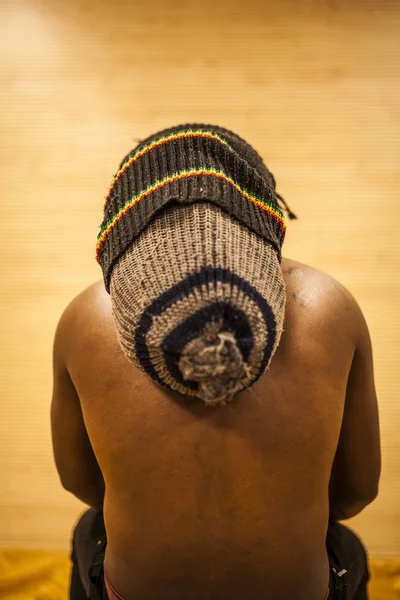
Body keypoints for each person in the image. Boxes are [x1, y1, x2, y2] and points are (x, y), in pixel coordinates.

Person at [51, 125, 381, 600]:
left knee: (90, 530)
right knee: (346, 546)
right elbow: (355, 493)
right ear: (259, 210)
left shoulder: (86, 316)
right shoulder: (330, 305)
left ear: (129, 216)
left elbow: (80, 482)